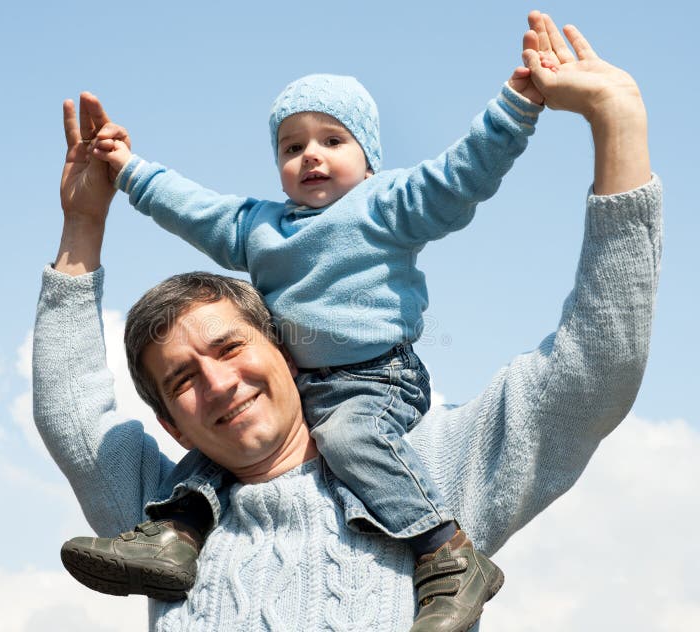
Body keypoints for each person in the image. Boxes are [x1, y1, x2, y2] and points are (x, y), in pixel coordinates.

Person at [34, 11, 661, 632]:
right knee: (194, 485)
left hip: (378, 382)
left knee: (350, 435)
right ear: (171, 424)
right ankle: (175, 537)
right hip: (277, 425)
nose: (220, 383)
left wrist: (579, 113)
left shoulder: (434, 459)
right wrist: (112, 191)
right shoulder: (158, 491)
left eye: (228, 348)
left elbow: (587, 361)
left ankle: (444, 553)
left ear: (279, 348)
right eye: (182, 381)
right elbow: (189, 212)